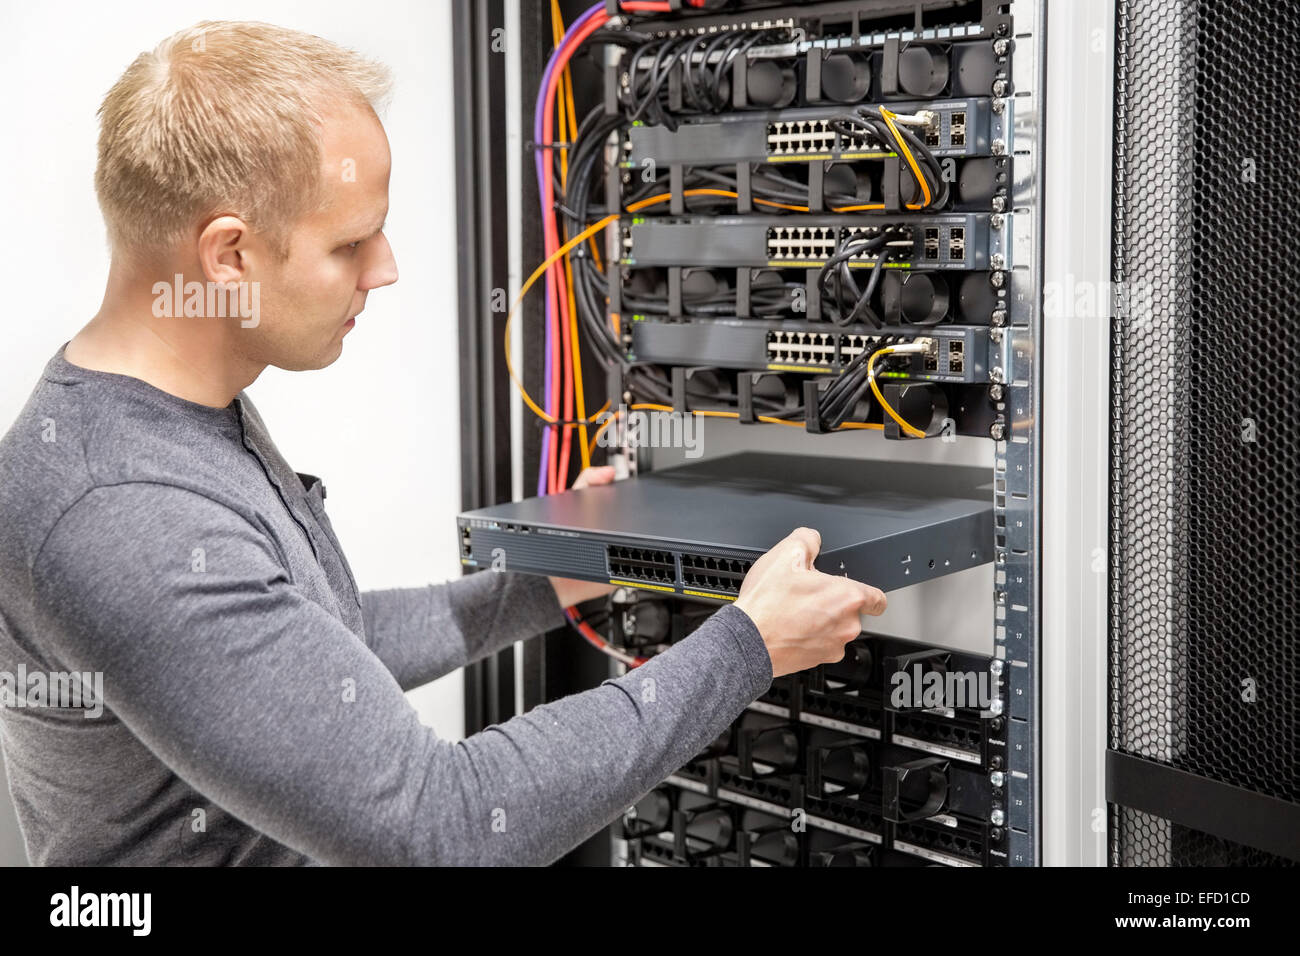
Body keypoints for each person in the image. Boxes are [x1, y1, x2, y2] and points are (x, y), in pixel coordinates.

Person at [0, 20, 885, 866]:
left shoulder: (172, 410)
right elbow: (444, 830)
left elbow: (302, 654)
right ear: (227, 255)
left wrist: (553, 578)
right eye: (350, 243)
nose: (384, 267)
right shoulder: (118, 516)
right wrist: (749, 646)